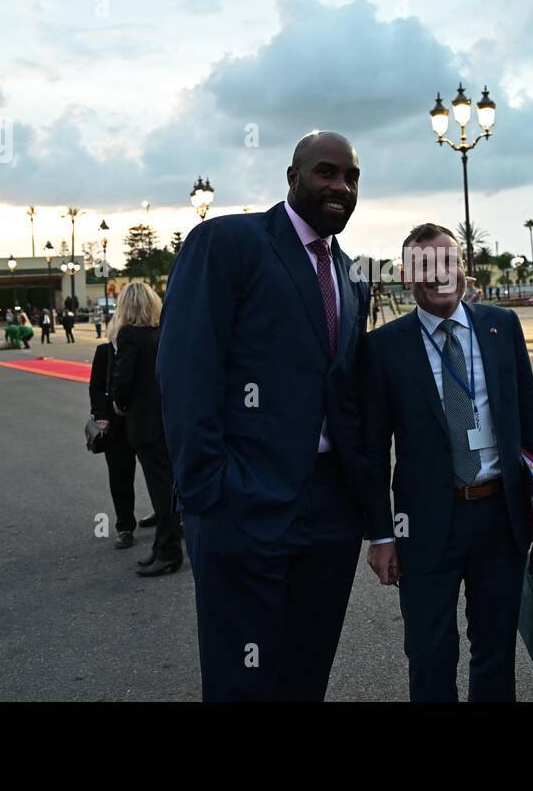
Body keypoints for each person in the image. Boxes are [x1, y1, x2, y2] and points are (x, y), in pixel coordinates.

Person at [159, 129, 382, 701]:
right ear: (293, 177)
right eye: (326, 173)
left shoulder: (351, 274)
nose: (341, 187)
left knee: (306, 678)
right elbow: (187, 371)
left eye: (351, 177)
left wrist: (366, 507)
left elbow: (347, 392)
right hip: (244, 506)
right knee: (242, 683)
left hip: (329, 513)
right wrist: (208, 490)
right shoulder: (228, 242)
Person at [360, 223, 533, 701]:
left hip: (498, 518)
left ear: (462, 267)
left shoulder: (501, 326)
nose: (439, 274)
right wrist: (382, 534)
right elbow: (372, 449)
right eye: (425, 266)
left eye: (448, 261)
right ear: (407, 276)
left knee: (495, 651)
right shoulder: (384, 348)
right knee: (429, 653)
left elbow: (529, 423)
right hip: (423, 525)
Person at [109, 283, 183, 576]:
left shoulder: (129, 335)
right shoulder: (161, 333)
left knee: (160, 489)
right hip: (167, 419)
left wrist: (118, 402)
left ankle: (168, 551)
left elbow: (123, 379)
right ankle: (163, 545)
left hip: (145, 422)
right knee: (168, 485)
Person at [90, 337, 139, 550]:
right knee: (120, 475)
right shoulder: (106, 351)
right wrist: (101, 415)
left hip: (145, 420)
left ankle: (164, 515)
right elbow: (97, 387)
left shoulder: (148, 342)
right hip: (115, 425)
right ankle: (125, 526)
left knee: (159, 475)